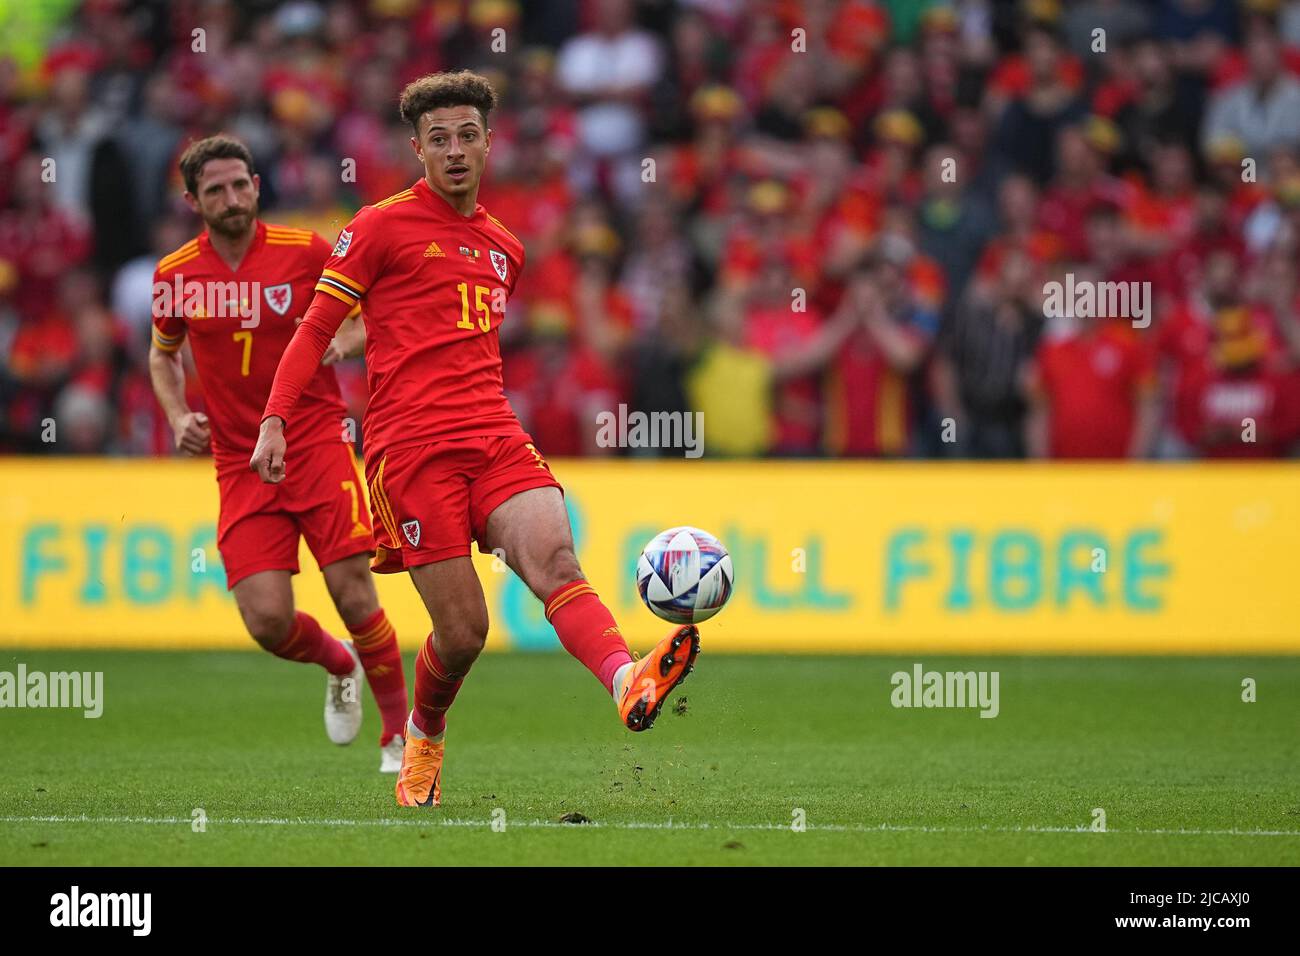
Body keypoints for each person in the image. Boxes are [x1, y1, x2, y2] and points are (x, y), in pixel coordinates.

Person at [251, 71, 700, 809]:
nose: (454, 150)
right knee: (463, 633)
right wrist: (274, 419)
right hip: (411, 449)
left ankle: (627, 681)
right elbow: (315, 329)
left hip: (493, 432)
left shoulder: (504, 249)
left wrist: (375, 335)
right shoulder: (377, 226)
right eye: (438, 140)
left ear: (488, 144)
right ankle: (424, 737)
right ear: (417, 149)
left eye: (467, 136)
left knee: (555, 558)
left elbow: (430, 323)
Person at [150, 135, 408, 772]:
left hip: (314, 441)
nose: (232, 198)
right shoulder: (174, 274)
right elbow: (163, 353)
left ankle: (400, 738)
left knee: (354, 593)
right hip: (238, 462)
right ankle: (338, 662)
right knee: (266, 620)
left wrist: (340, 346)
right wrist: (179, 414)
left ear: (257, 186)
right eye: (216, 190)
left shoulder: (306, 252)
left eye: (241, 184)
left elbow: (366, 315)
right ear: (193, 200)